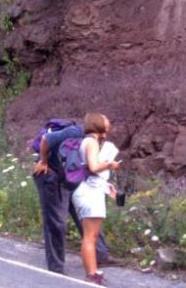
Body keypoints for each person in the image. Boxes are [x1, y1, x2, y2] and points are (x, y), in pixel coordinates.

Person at [32, 118, 111, 275]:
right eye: (104, 130)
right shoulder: (74, 133)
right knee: (56, 222)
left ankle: (100, 256)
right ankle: (56, 268)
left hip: (71, 179)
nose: (105, 135)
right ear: (95, 128)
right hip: (51, 176)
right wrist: (43, 161)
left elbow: (88, 165)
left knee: (89, 215)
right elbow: (46, 139)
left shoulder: (94, 141)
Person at [71, 113, 121, 285]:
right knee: (90, 237)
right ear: (97, 124)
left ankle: (92, 272)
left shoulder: (86, 141)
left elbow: (89, 172)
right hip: (90, 194)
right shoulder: (91, 142)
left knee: (91, 235)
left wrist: (106, 186)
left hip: (87, 190)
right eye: (106, 122)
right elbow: (93, 167)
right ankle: (92, 275)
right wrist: (110, 165)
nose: (108, 125)